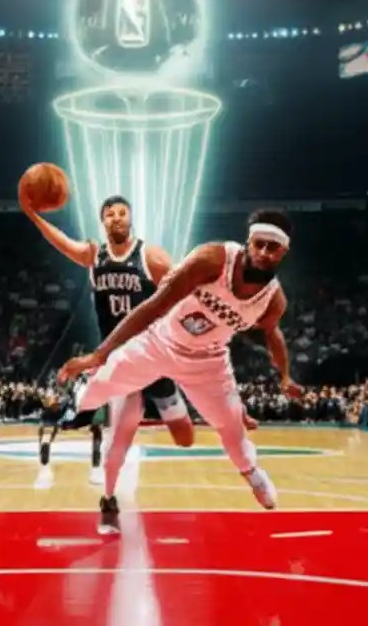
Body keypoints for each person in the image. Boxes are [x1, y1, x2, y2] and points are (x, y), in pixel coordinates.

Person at [58, 209, 302, 534]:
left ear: (283, 252)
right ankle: (76, 403)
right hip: (160, 342)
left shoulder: (273, 301)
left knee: (231, 428)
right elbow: (153, 306)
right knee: (98, 386)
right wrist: (99, 354)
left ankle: (253, 474)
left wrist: (284, 375)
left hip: (208, 361)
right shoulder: (211, 260)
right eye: (259, 244)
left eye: (273, 248)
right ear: (249, 241)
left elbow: (272, 334)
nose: (264, 253)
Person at [22, 190, 199, 488]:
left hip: (152, 354)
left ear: (130, 218)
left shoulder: (150, 256)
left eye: (121, 213)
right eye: (109, 214)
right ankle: (108, 492)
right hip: (118, 357)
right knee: (115, 432)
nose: (116, 218)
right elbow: (62, 243)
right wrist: (34, 216)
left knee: (184, 437)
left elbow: (183, 291)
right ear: (102, 222)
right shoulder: (95, 255)